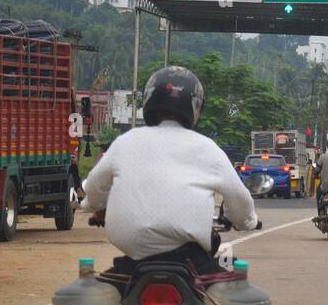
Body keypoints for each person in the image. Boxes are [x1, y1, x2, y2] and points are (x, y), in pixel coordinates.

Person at [83, 66, 260, 278]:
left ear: (148, 99)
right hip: (192, 262)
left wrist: (94, 206)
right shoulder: (208, 148)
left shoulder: (125, 141)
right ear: (195, 107)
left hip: (133, 264)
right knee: (235, 288)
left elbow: (94, 187)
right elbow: (239, 199)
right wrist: (247, 221)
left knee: (95, 286)